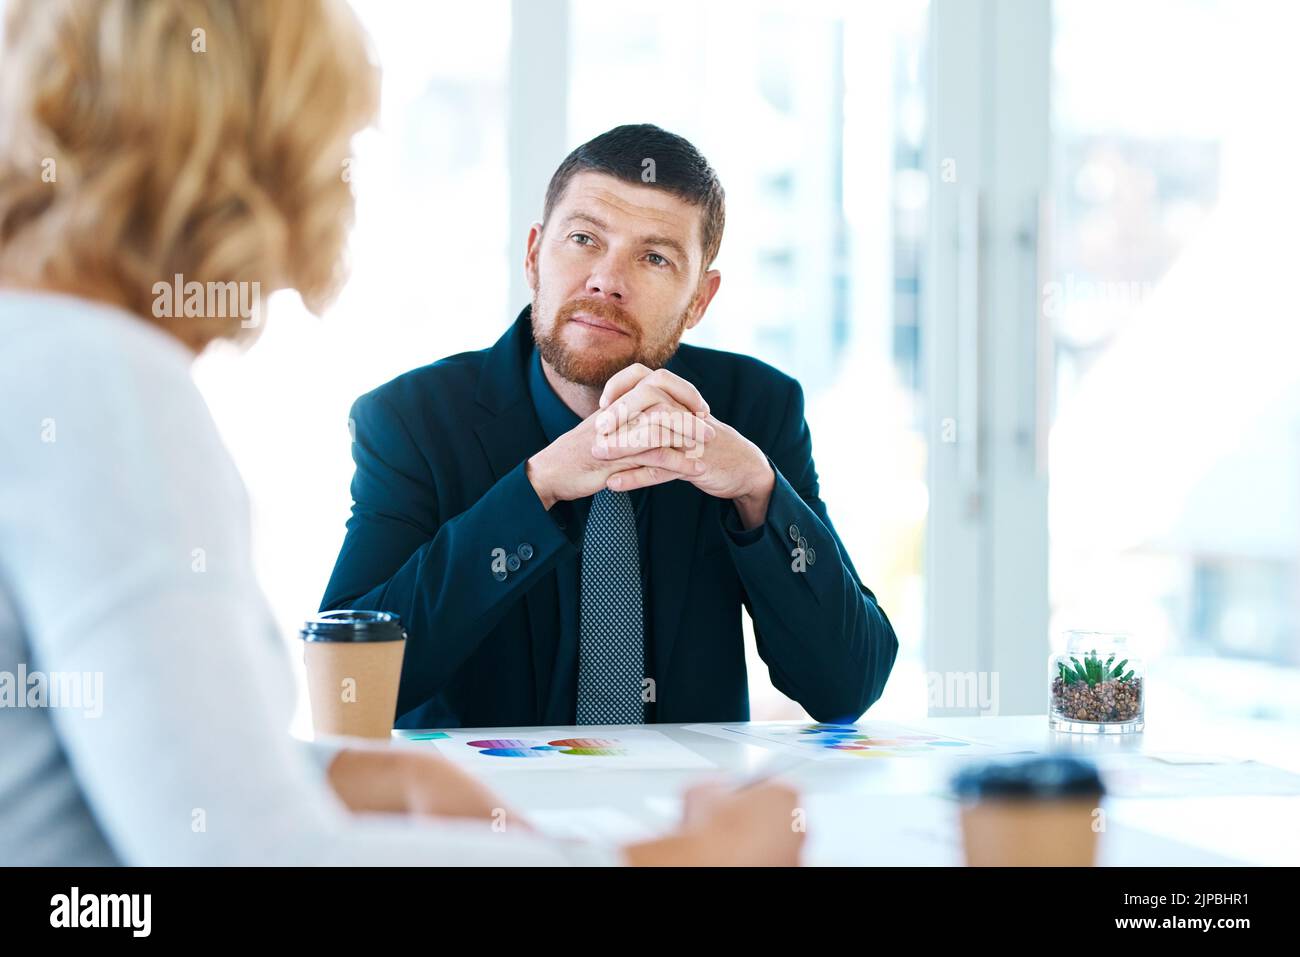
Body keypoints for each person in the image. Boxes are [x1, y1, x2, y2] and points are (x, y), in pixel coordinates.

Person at [0, 0, 800, 866]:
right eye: (336, 151)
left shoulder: (46, 355)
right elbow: (247, 853)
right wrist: (666, 864)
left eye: (652, 256)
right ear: (245, 158)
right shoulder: (108, 390)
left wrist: (338, 777)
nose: (339, 192)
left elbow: (156, 771)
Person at [321, 124, 900, 730]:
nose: (607, 280)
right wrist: (536, 486)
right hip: (484, 814)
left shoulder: (755, 409)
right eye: (583, 239)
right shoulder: (411, 420)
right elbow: (350, 685)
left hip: (686, 816)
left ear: (700, 300)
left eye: (654, 257)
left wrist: (760, 491)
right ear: (533, 257)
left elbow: (847, 685)